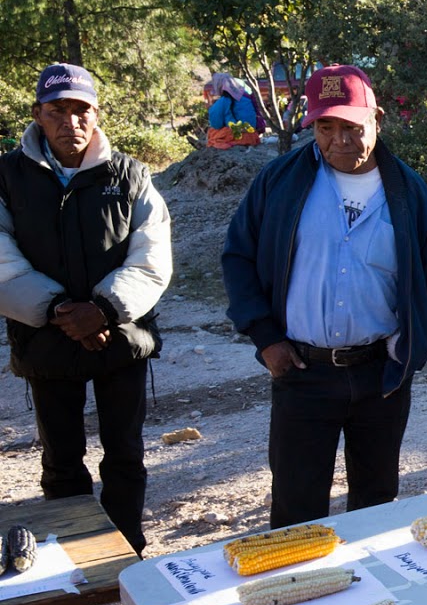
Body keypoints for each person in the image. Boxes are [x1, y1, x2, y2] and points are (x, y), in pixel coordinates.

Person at [222, 65, 427, 527]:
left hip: (380, 376)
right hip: (301, 372)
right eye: (325, 127)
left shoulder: (408, 192)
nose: (338, 140)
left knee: (374, 506)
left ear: (377, 120)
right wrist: (266, 338)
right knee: (295, 509)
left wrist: (413, 349)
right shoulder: (280, 182)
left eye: (351, 127)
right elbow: (238, 257)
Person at [0, 64, 171, 556]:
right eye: (57, 111)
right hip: (47, 338)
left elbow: (152, 255)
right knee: (60, 460)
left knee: (124, 454)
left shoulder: (131, 175)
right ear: (37, 115)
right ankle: (76, 553)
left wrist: (103, 310)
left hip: (119, 336)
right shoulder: (6, 178)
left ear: (97, 114)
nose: (69, 122)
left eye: (81, 111)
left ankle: (126, 552)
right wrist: (61, 311)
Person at [206, 72, 260, 148]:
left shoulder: (223, 101)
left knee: (212, 132)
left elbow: (216, 124)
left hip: (239, 136)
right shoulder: (246, 96)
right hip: (253, 136)